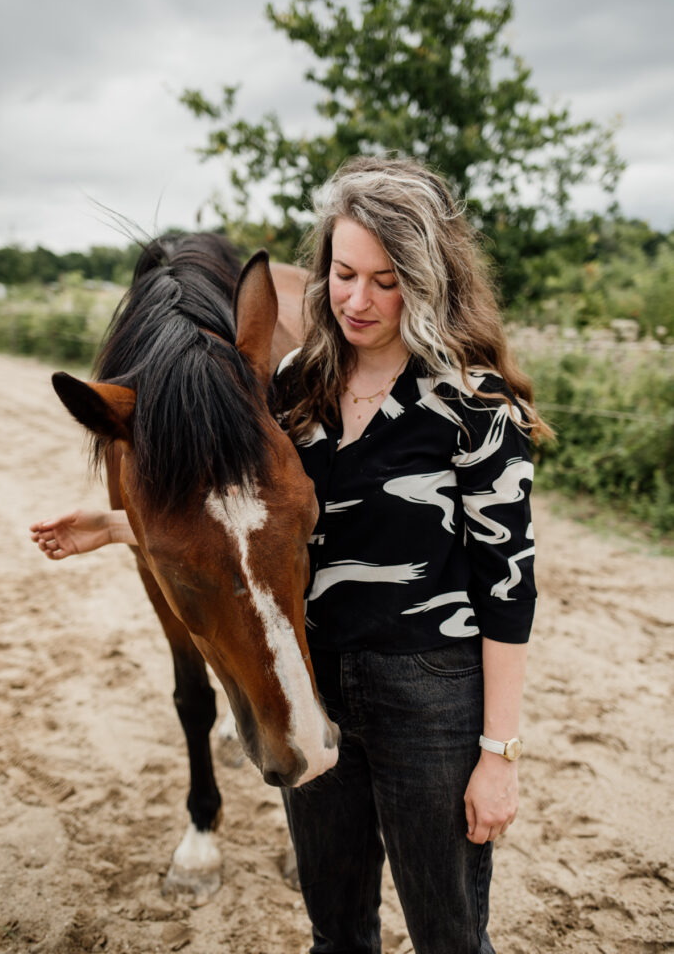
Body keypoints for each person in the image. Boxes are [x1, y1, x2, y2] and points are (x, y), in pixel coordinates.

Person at [31, 156, 551, 953]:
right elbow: (249, 525)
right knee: (334, 934)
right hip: (315, 682)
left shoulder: (476, 408)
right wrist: (121, 527)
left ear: (428, 279)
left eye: (387, 279)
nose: (357, 299)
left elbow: (507, 589)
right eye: (343, 273)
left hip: (429, 697)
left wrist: (499, 755)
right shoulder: (286, 391)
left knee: (447, 936)